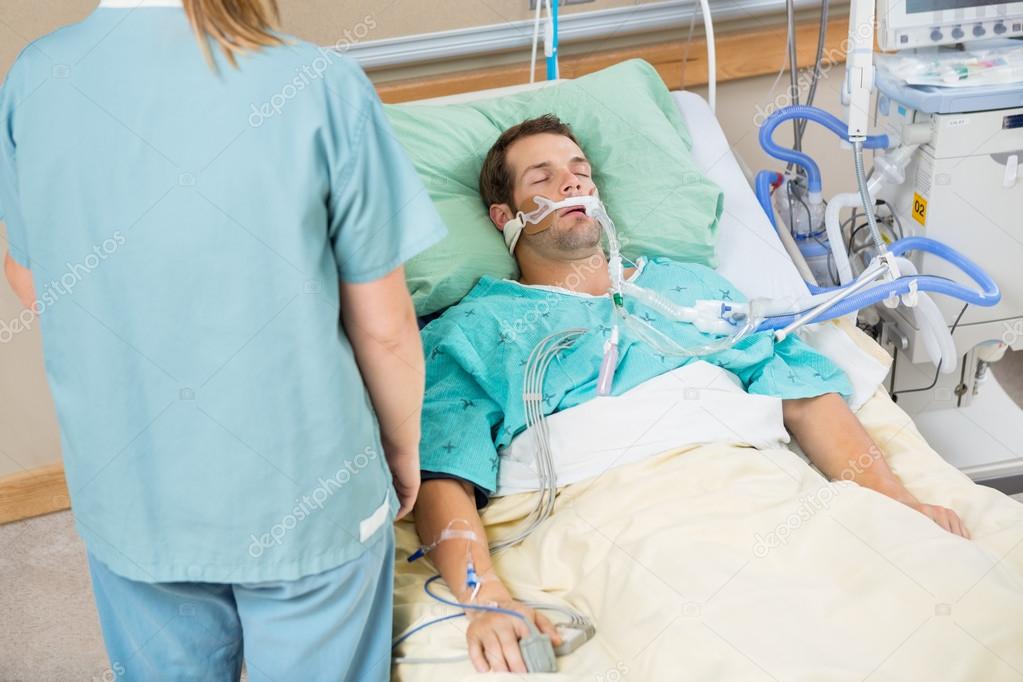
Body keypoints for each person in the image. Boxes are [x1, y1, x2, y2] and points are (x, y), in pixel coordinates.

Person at [412, 114, 970, 674]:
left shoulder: (690, 288)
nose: (572, 182)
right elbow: (444, 474)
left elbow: (799, 393)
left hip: (757, 485)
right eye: (543, 177)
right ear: (505, 217)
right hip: (617, 514)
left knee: (913, 604)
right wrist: (486, 596)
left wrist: (895, 501)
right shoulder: (477, 327)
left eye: (580, 171)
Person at [1, 1, 445, 679]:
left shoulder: (35, 78)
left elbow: (32, 276)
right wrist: (403, 449)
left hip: (130, 488)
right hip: (310, 490)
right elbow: (384, 330)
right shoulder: (318, 84)